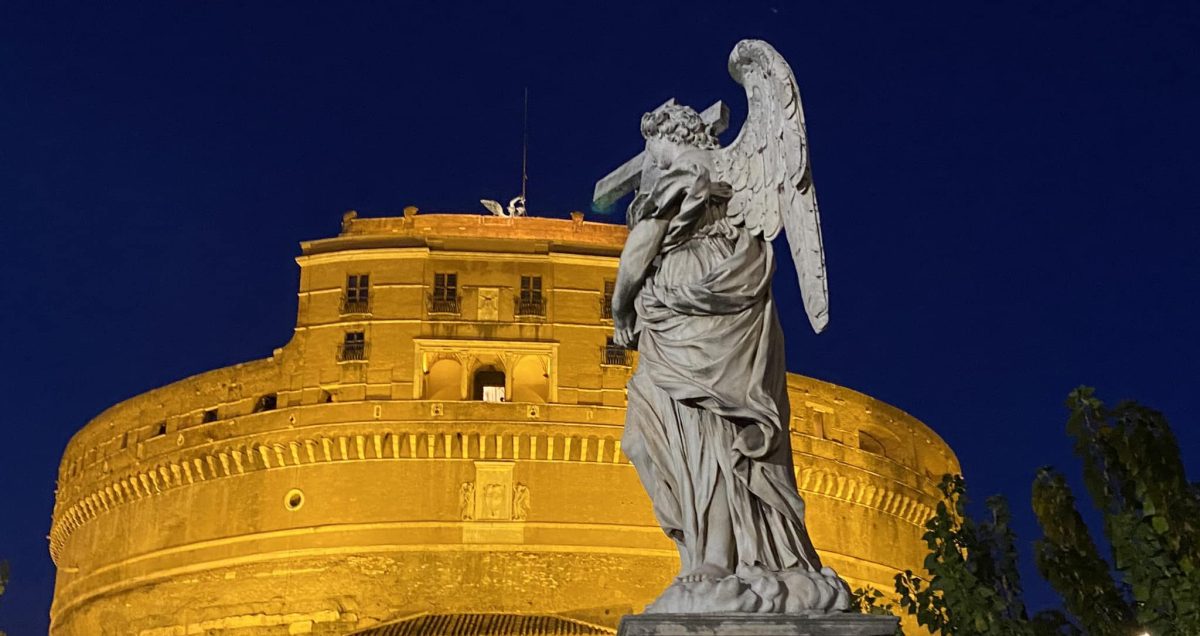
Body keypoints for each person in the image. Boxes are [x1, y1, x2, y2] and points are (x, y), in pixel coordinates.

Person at [611, 102, 849, 613]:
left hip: (702, 308)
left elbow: (642, 243)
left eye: (652, 149)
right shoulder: (710, 173)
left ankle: (716, 558)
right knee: (658, 438)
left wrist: (620, 305)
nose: (647, 161)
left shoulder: (689, 171)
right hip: (694, 310)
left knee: (713, 435)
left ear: (666, 141)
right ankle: (708, 551)